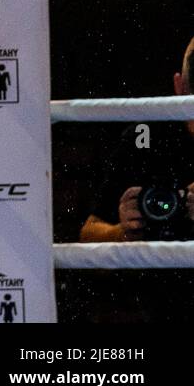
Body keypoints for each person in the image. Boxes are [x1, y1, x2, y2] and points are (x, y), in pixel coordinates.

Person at [77, 36, 194, 320]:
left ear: (178, 83)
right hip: (156, 311)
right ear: (178, 87)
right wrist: (122, 232)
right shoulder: (146, 137)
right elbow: (86, 240)